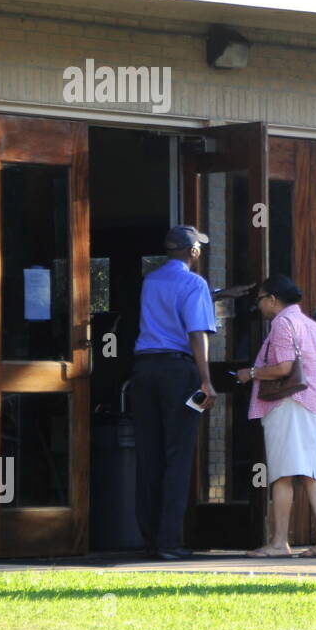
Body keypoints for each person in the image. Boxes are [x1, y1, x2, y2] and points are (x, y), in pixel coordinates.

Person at [130, 225, 217, 560]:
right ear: (193, 252)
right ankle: (170, 542)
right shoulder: (195, 283)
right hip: (178, 371)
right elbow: (197, 333)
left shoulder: (151, 280)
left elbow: (164, 314)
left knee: (148, 456)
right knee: (177, 457)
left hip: (144, 369)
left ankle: (150, 539)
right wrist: (206, 379)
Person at [235, 275, 316, 558]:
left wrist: (250, 373)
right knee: (312, 475)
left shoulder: (282, 323)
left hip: (288, 405)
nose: (259, 305)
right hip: (314, 405)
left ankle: (279, 543)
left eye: (260, 299)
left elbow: (283, 368)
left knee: (282, 476)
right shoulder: (312, 326)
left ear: (272, 299)